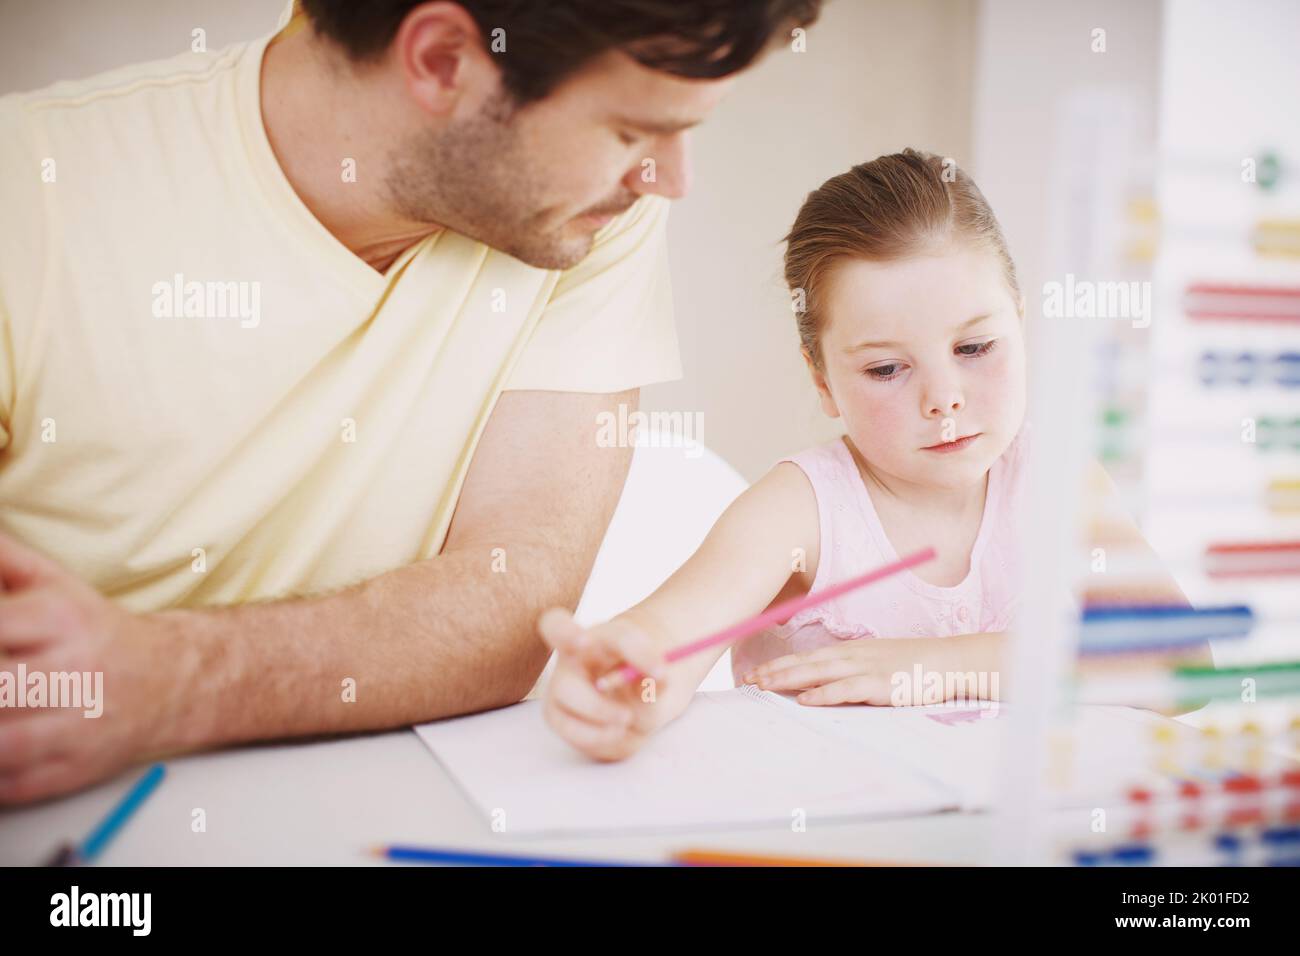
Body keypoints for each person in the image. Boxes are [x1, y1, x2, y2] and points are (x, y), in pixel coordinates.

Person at [0, 0, 822, 803]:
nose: (668, 179)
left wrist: (165, 678)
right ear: (441, 60)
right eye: (631, 131)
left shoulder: (588, 217)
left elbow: (511, 613)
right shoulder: (28, 195)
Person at [540, 149, 1196, 762]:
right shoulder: (798, 513)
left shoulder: (1060, 482)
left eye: (974, 349)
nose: (945, 398)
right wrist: (628, 682)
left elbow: (1185, 665)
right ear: (823, 380)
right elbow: (670, 637)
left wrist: (938, 666)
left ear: (1018, 324)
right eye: (887, 368)